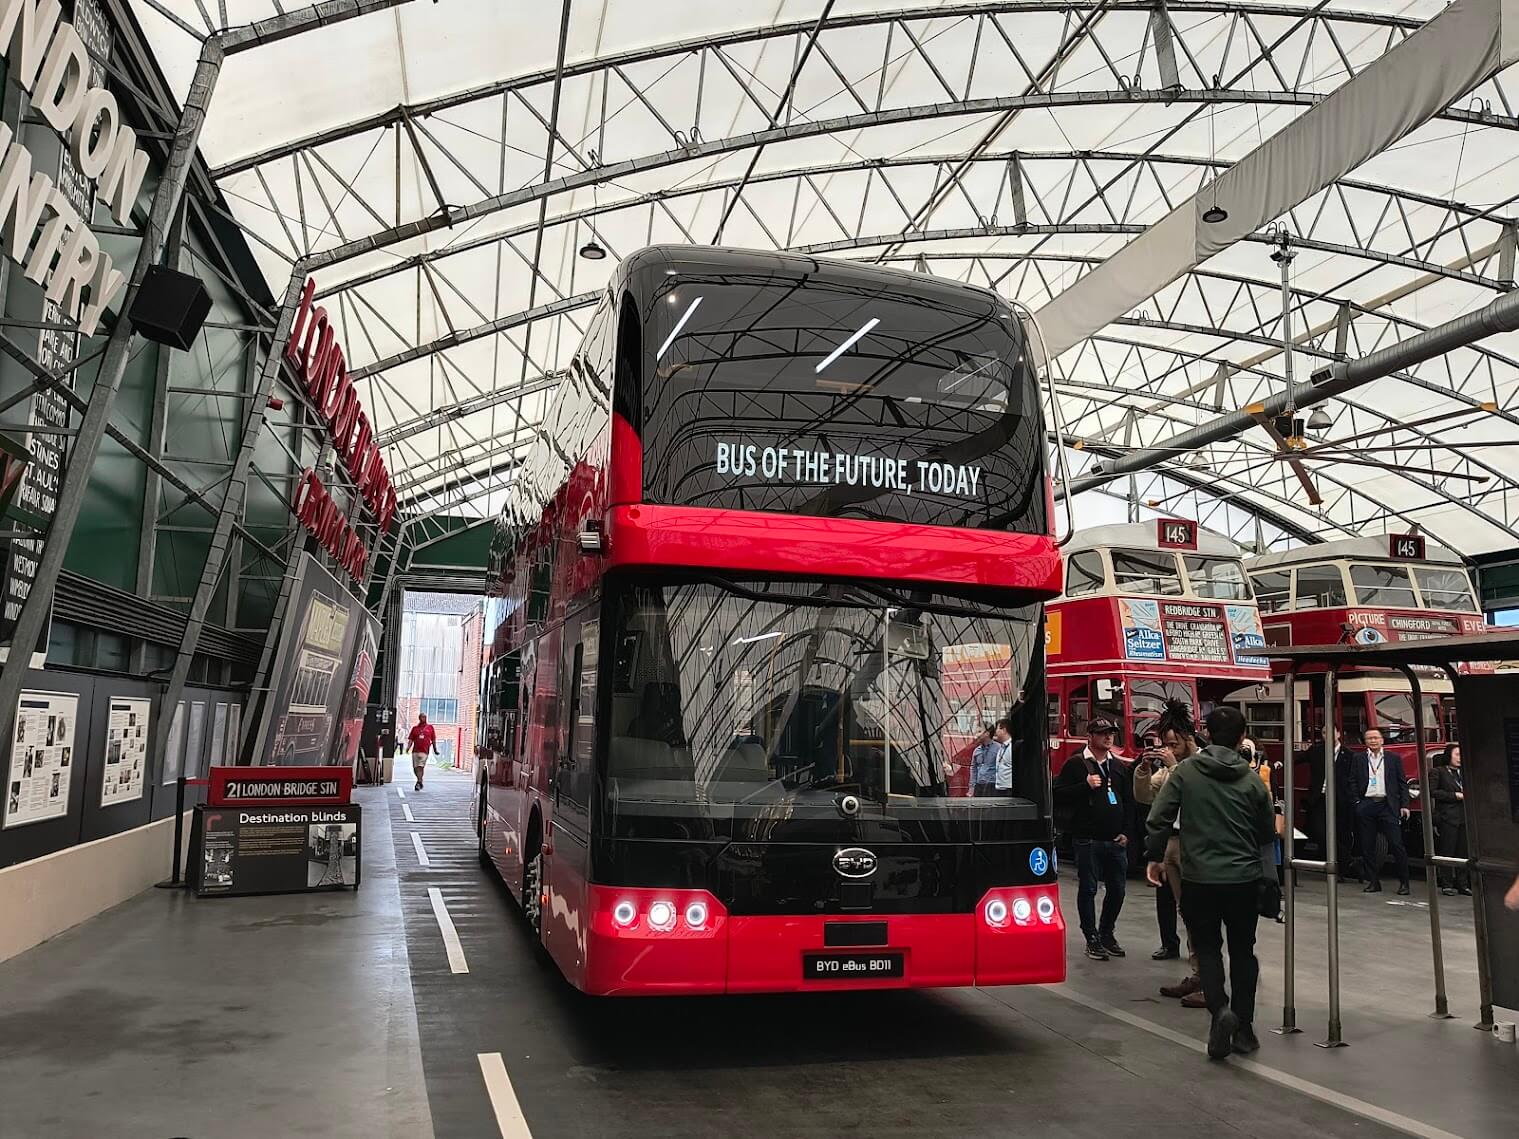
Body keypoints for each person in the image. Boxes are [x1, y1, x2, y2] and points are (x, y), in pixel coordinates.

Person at [1146, 705, 1275, 1060]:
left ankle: (1220, 1011)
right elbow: (1266, 832)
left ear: (1206, 732)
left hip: (1199, 877)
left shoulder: (1186, 773)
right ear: (1240, 736)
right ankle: (1245, 1030)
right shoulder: (1250, 779)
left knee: (1207, 949)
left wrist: (1155, 857)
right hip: (1243, 879)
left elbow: (1159, 818)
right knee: (1243, 953)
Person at [1134, 701, 1205, 1007]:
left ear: (1190, 738)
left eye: (1174, 743)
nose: (1169, 748)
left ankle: (1209, 980)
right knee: (1186, 911)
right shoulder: (1169, 768)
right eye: (1165, 744)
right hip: (1173, 844)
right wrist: (1144, 768)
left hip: (1197, 844)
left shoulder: (1202, 764)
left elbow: (1194, 794)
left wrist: (1173, 766)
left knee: (1201, 914)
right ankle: (1199, 973)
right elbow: (1144, 795)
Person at [1054, 717, 1131, 961]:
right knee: (1088, 888)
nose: (1108, 737)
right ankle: (1091, 937)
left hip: (1114, 840)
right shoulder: (1076, 764)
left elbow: (1129, 802)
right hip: (1087, 839)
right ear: (1090, 736)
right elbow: (1058, 795)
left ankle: (1107, 932)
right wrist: (1084, 786)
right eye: (1102, 733)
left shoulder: (1117, 767)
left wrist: (1127, 832)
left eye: (1111, 733)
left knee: (1117, 889)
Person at [1348, 727, 1411, 894]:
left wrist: (1404, 805)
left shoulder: (1393, 758)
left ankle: (1404, 883)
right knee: (1367, 846)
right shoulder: (1359, 758)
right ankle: (1373, 882)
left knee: (1396, 845)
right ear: (1365, 741)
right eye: (1369, 738)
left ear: (1382, 740)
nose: (1373, 741)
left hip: (1387, 805)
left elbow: (1402, 783)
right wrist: (1356, 802)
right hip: (1367, 804)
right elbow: (1352, 781)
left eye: (1376, 738)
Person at [1431, 745, 1470, 896]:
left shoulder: (1465, 773)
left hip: (1464, 816)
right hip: (1448, 816)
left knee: (1463, 851)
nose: (1460, 758)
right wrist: (1454, 796)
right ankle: (1446, 883)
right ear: (1449, 755)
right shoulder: (1438, 772)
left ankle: (1463, 884)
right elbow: (1433, 792)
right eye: (1457, 754)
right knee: (1447, 850)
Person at [407, 713, 437, 791]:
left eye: (424, 717)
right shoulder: (415, 728)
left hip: (425, 751)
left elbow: (433, 739)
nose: (423, 718)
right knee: (415, 768)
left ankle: (419, 782)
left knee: (421, 766)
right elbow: (411, 739)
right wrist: (408, 747)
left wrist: (435, 749)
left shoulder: (430, 728)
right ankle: (419, 781)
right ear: (419, 718)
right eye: (422, 717)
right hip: (415, 751)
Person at [991, 718, 1016, 795]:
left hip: (1008, 789)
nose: (996, 732)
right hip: (999, 788)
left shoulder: (1012, 747)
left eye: (997, 729)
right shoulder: (1001, 747)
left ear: (1004, 730)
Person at [970, 725, 997, 796]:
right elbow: (973, 769)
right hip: (979, 786)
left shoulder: (999, 749)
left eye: (979, 731)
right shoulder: (976, 751)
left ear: (987, 733)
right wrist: (972, 787)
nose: (976, 734)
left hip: (992, 786)